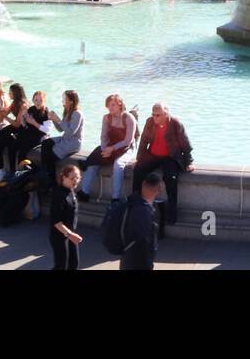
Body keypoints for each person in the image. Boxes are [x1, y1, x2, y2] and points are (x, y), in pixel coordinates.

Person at [130, 102, 194, 230]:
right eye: (153, 114)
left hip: (170, 156)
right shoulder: (150, 122)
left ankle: (172, 213)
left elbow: (185, 144)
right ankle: (135, 205)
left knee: (171, 177)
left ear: (166, 114)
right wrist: (139, 159)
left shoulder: (175, 124)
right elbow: (144, 141)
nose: (155, 117)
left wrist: (189, 162)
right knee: (138, 171)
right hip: (153, 155)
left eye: (158, 115)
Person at [78, 94, 136, 202]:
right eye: (108, 106)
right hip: (109, 146)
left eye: (113, 105)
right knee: (93, 162)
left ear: (120, 104)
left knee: (118, 165)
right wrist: (105, 150)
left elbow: (128, 140)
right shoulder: (106, 117)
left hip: (126, 148)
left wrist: (112, 149)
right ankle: (84, 192)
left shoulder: (128, 118)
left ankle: (115, 198)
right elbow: (103, 136)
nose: (110, 108)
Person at [40, 90, 84, 189]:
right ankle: (43, 171)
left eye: (65, 99)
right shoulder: (68, 112)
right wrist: (53, 119)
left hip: (73, 142)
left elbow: (70, 133)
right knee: (46, 143)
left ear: (71, 101)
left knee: (51, 157)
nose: (62, 101)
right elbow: (60, 129)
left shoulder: (77, 114)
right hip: (65, 139)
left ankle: (52, 181)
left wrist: (58, 120)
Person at [121, 172, 163, 271]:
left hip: (126, 257)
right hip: (139, 261)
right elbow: (144, 241)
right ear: (159, 189)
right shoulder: (145, 211)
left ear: (143, 184)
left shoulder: (131, 202)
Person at [48, 163, 83, 270]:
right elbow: (56, 221)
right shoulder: (59, 195)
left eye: (78, 177)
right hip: (59, 236)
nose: (75, 180)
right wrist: (70, 234)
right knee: (61, 266)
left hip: (70, 234)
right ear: (64, 177)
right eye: (72, 178)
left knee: (74, 263)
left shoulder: (71, 190)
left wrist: (71, 234)